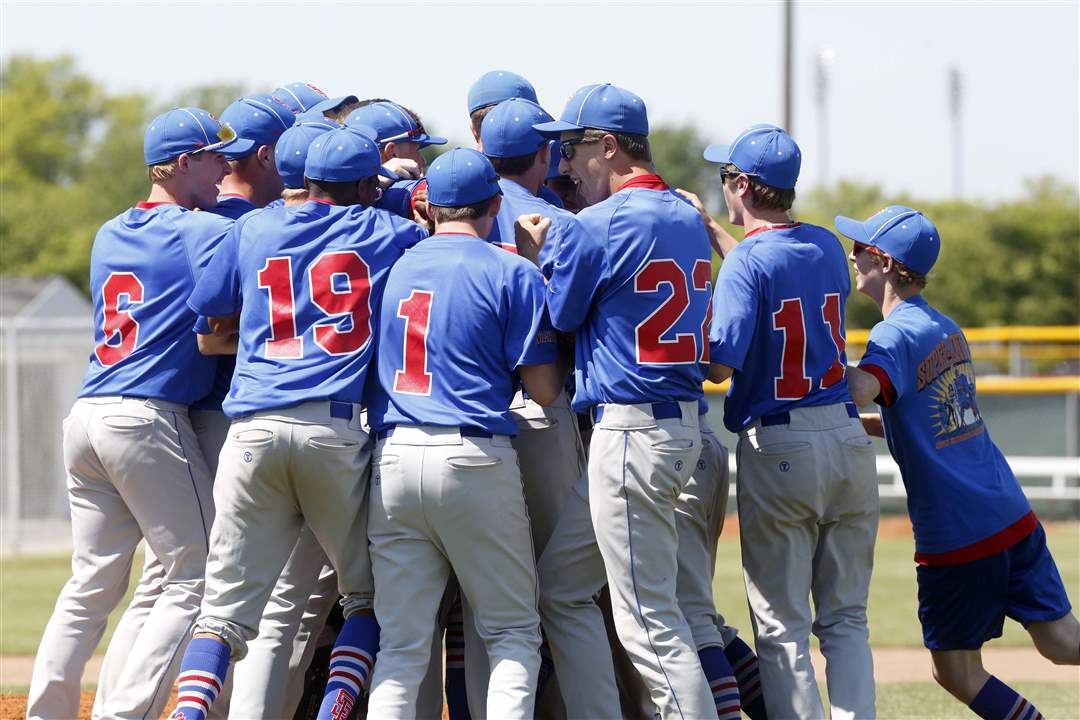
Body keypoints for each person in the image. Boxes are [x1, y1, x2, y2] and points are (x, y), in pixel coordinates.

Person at [168, 127, 425, 720]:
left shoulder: (253, 227)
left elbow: (209, 310)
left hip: (251, 428)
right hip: (334, 429)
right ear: (366, 183)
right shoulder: (391, 232)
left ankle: (189, 712)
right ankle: (335, 710)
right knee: (366, 599)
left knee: (223, 611)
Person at [27, 108, 236, 720]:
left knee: (92, 583)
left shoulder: (110, 229)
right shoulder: (201, 233)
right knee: (196, 574)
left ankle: (48, 712)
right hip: (145, 418)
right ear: (176, 164)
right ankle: (125, 713)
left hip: (87, 415)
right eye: (210, 155)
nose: (224, 166)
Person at [840, 206, 1079, 720]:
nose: (853, 256)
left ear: (884, 261)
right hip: (1009, 512)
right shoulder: (946, 328)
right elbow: (935, 424)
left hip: (958, 531)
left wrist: (802, 352)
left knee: (955, 672)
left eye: (860, 248)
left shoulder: (891, 335)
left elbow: (862, 386)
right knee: (1061, 641)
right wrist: (864, 427)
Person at [522, 82, 715, 718]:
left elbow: (561, 317)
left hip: (632, 431)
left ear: (608, 146)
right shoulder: (690, 216)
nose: (565, 165)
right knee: (562, 588)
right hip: (676, 423)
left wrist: (533, 260)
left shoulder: (591, 226)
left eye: (573, 149)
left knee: (651, 625)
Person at [364, 147, 565, 718]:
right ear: (495, 205)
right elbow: (546, 391)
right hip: (473, 454)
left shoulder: (396, 264)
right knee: (511, 634)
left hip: (395, 454)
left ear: (428, 206)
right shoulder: (512, 271)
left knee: (401, 647)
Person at [703, 123, 877, 719]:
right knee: (847, 620)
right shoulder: (826, 245)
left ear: (744, 186)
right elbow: (769, 263)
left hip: (781, 442)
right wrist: (717, 235)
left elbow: (720, 365)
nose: (724, 187)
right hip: (846, 433)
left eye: (727, 178)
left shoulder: (748, 263)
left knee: (781, 626)